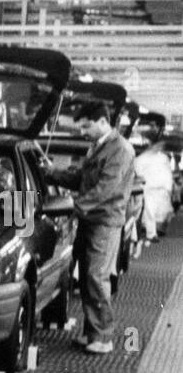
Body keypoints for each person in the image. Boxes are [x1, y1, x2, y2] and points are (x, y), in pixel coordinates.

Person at [44, 101, 136, 354]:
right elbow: (81, 180)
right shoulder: (97, 147)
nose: (83, 131)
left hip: (104, 223)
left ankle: (104, 337)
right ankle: (91, 332)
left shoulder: (120, 150)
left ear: (103, 122)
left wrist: (73, 205)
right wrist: (53, 174)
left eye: (87, 126)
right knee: (85, 278)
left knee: (97, 277)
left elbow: (106, 189)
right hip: (89, 220)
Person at [134, 130, 174, 244]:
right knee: (149, 212)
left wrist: (168, 187)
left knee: (164, 212)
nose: (160, 147)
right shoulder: (142, 158)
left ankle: (155, 230)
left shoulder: (163, 158)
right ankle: (151, 234)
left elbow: (167, 173)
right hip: (149, 189)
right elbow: (138, 171)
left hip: (162, 190)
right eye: (158, 145)